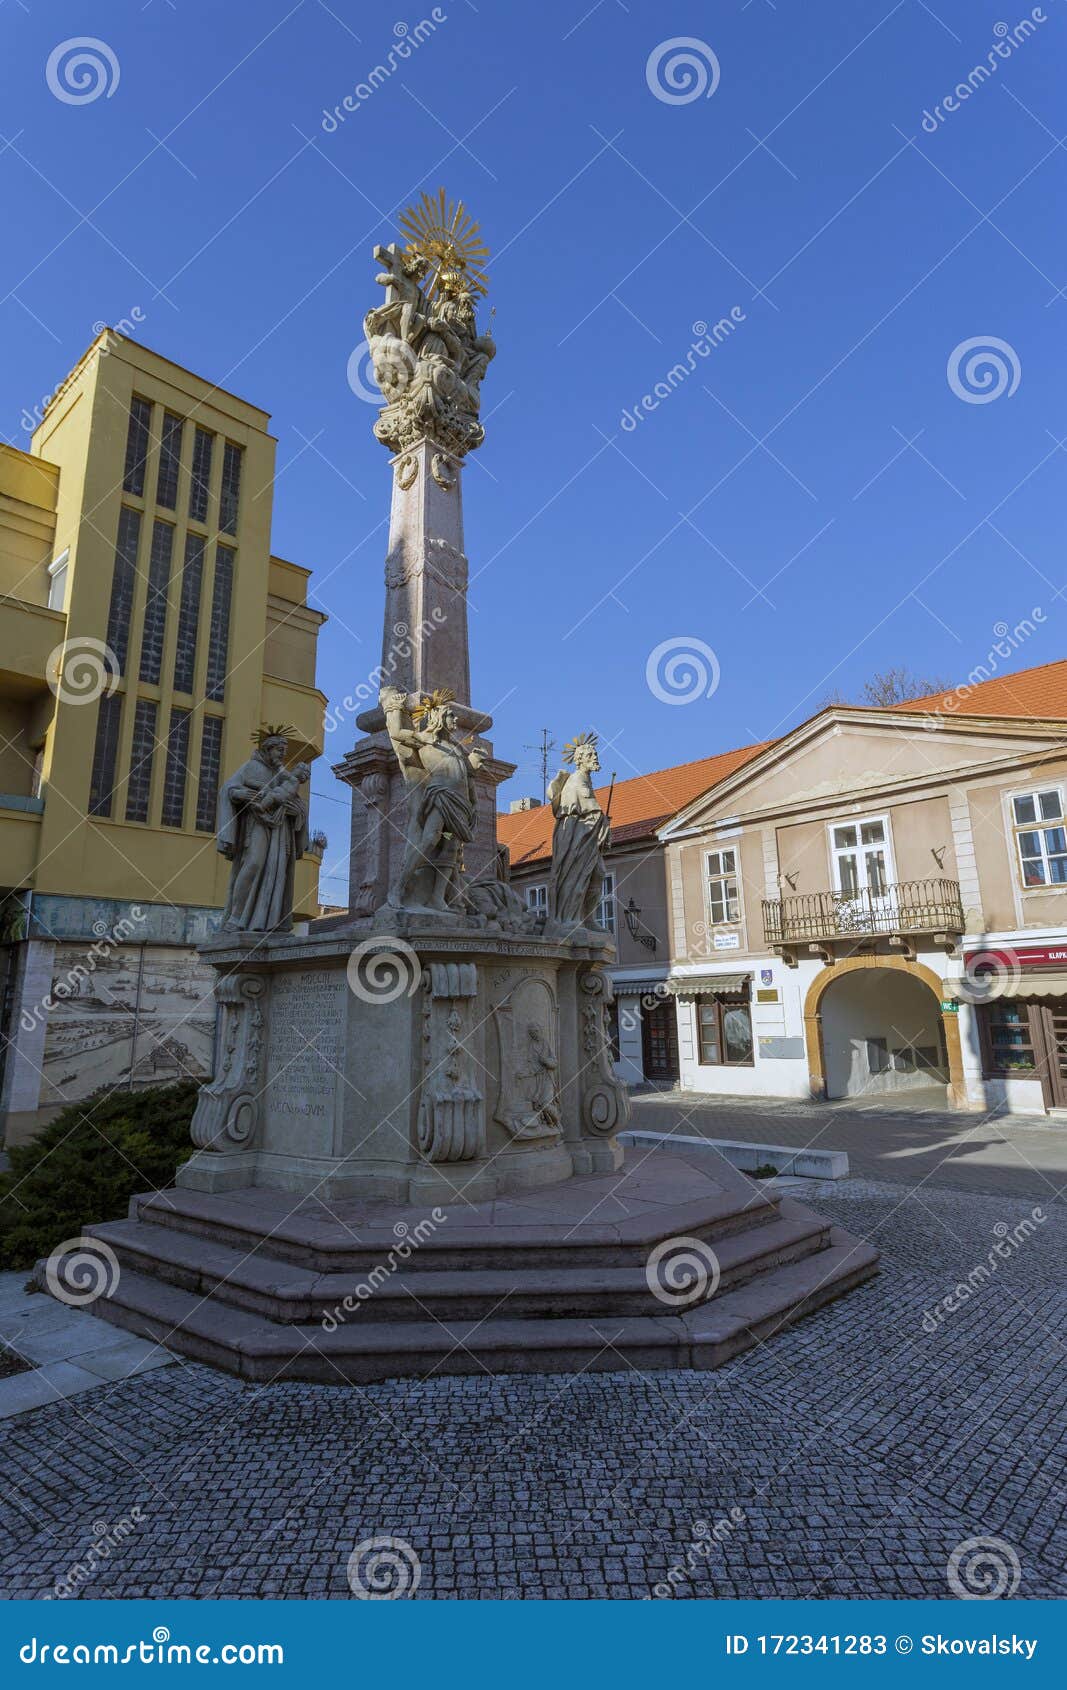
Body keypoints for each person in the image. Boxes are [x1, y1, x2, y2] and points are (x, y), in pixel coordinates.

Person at [217, 731, 309, 932]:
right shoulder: (251, 768)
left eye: (284, 751)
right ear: (267, 749)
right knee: (253, 864)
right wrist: (241, 794)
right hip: (256, 825)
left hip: (280, 831)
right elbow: (228, 790)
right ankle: (236, 917)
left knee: (279, 872)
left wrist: (297, 813)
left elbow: (298, 803)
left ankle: (270, 921)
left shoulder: (284, 774)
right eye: (279, 750)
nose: (282, 755)